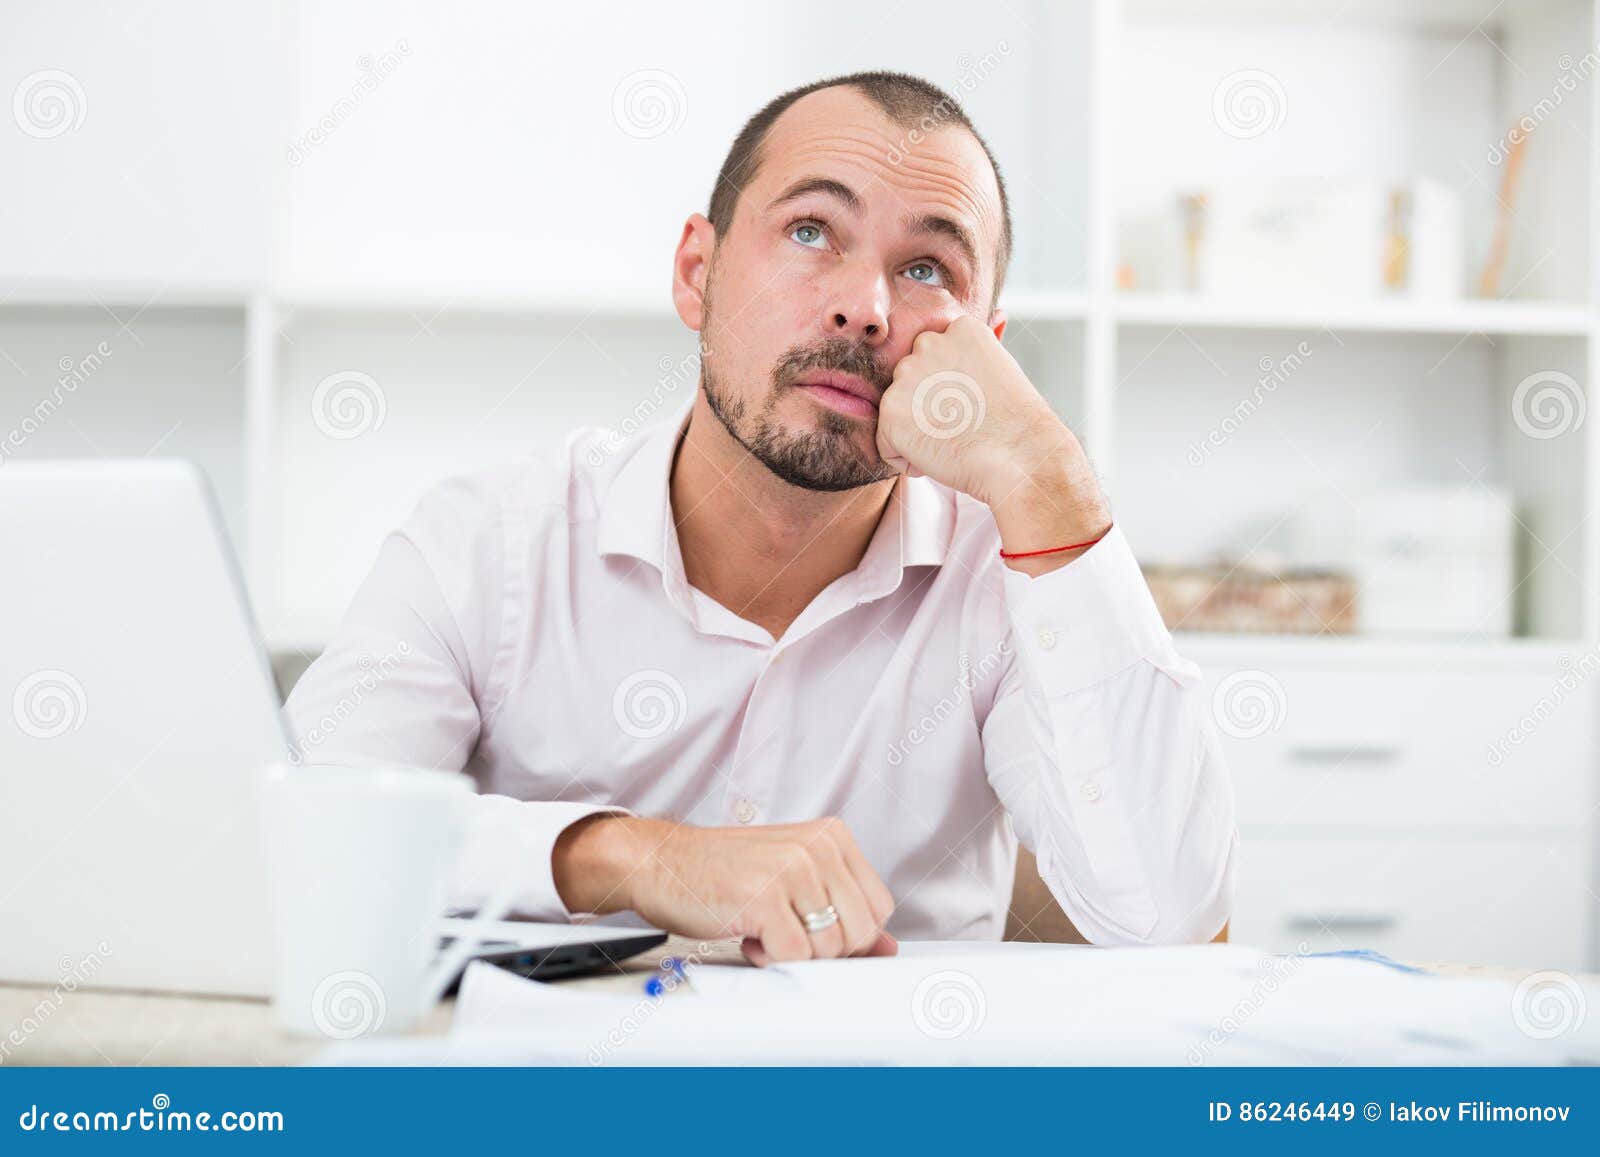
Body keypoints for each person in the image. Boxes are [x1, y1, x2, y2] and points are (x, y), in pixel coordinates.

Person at [283, 71, 1236, 965]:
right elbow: (305, 842)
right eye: (813, 231)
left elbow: (1172, 924)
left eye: (927, 269)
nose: (864, 310)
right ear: (697, 272)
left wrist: (1052, 481)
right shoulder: (484, 542)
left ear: (982, 352)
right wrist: (636, 859)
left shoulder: (1015, 580)